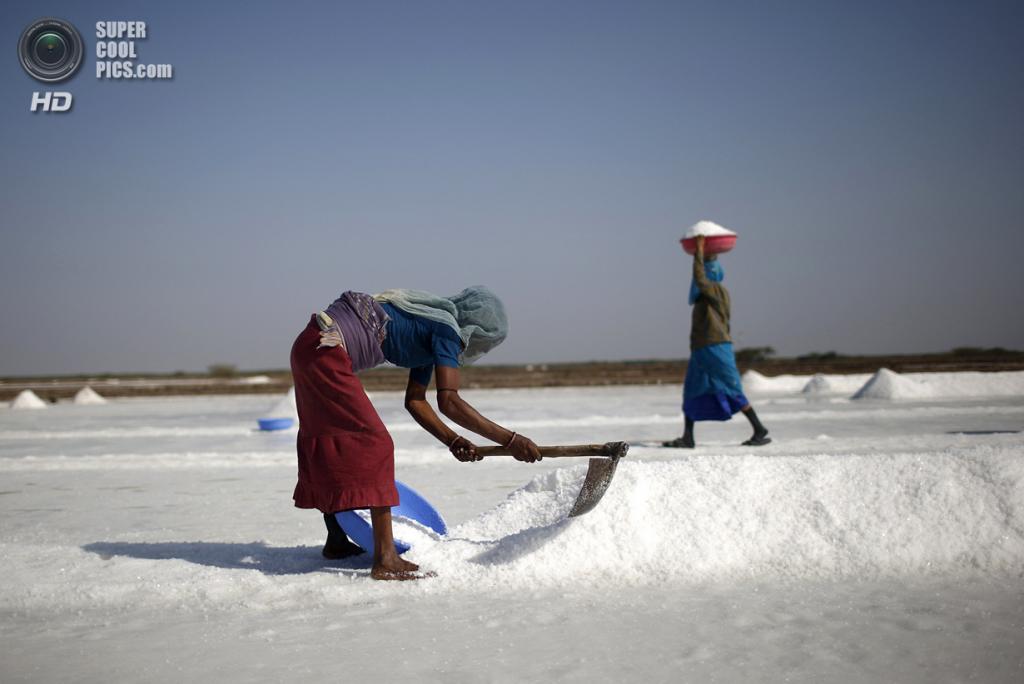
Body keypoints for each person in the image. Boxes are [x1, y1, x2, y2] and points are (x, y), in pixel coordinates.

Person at [290, 286, 542, 581]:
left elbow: (416, 401)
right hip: (325, 351)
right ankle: (386, 559)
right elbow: (450, 401)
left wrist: (454, 440)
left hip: (309, 347)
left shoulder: (429, 325)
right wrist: (511, 441)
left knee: (332, 439)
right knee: (376, 445)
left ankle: (336, 540)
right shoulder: (446, 331)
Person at [664, 235, 771, 448]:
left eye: (706, 269)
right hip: (701, 348)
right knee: (692, 389)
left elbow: (700, 278)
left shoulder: (715, 290)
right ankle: (688, 437)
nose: (701, 275)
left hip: (716, 346)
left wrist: (699, 252)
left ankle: (759, 429)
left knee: (732, 387)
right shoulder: (706, 296)